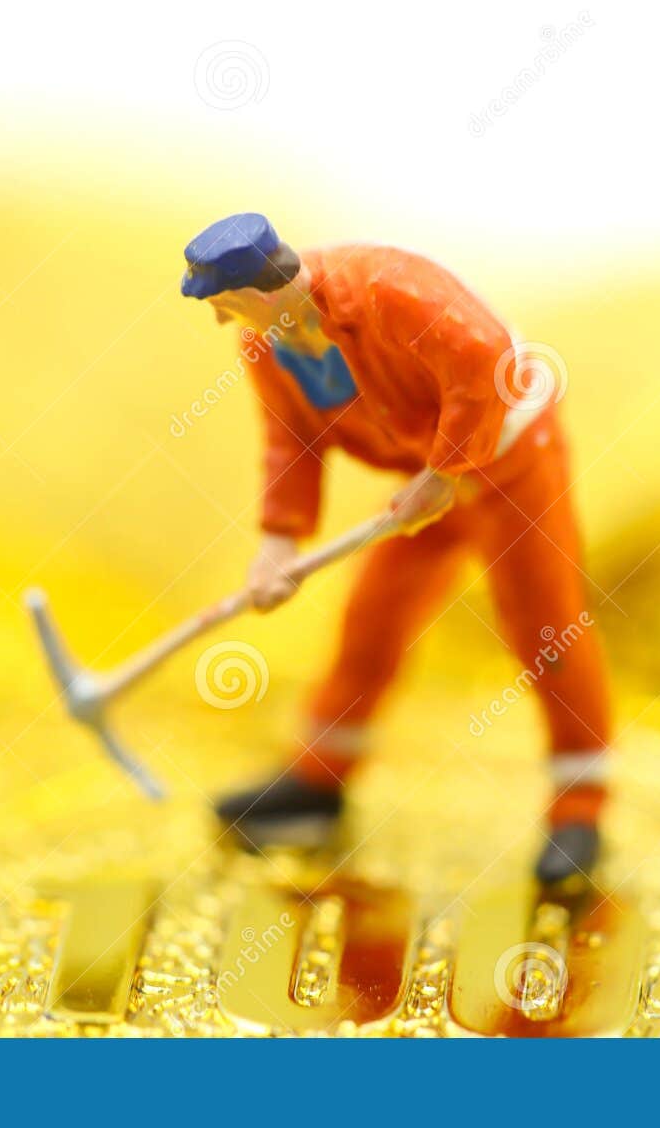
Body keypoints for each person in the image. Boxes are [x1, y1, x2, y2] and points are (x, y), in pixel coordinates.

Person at [181, 212, 611, 883]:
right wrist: (277, 541)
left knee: (544, 627)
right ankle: (320, 778)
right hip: (425, 479)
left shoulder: (388, 288)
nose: (220, 321)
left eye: (224, 304)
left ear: (263, 291)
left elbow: (486, 355)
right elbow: (291, 440)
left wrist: (447, 471)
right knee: (373, 618)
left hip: (510, 463)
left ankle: (580, 801)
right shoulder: (264, 345)